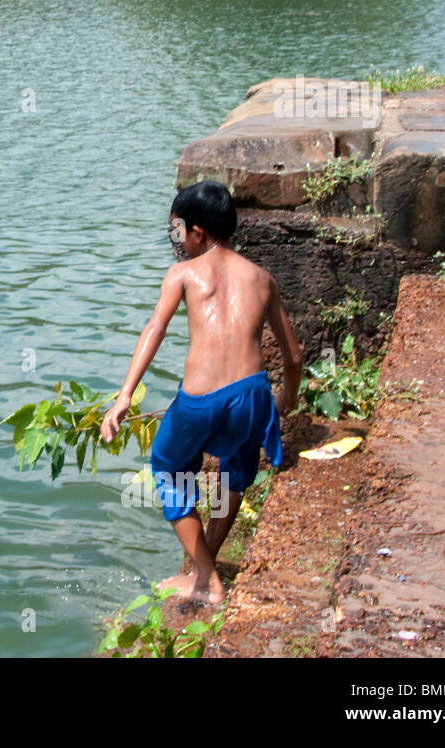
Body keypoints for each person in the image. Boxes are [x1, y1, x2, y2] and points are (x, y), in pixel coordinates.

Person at [100, 181, 303, 604]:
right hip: (252, 395)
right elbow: (295, 356)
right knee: (235, 469)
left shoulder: (183, 273)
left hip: (199, 399)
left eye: (177, 231)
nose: (176, 240)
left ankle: (206, 580)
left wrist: (124, 396)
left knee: (168, 465)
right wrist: (287, 399)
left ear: (198, 233)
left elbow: (154, 329)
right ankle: (202, 565)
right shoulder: (262, 278)